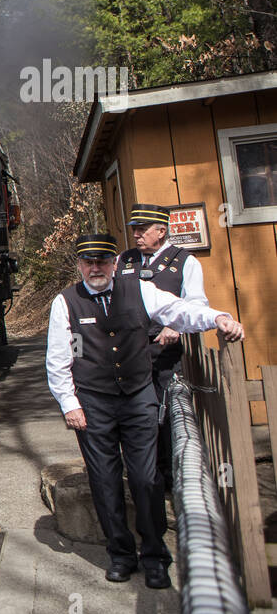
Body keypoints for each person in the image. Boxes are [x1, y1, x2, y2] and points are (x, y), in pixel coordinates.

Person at [45, 233, 244, 589]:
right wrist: (69, 404)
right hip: (93, 403)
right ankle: (121, 555)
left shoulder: (139, 289)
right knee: (105, 482)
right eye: (89, 262)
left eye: (103, 261)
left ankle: (155, 557)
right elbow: (58, 360)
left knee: (147, 479)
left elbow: (179, 311)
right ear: (79, 265)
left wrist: (218, 318)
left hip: (138, 397)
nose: (96, 268)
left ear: (114, 263)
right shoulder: (66, 302)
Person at [115, 204, 207, 490]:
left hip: (165, 357)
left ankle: (170, 479)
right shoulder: (124, 260)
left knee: (168, 415)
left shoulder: (184, 261)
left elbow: (196, 303)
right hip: (131, 356)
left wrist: (175, 326)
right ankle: (145, 477)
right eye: (134, 230)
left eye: (142, 230)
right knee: (136, 417)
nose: (137, 235)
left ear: (162, 231)